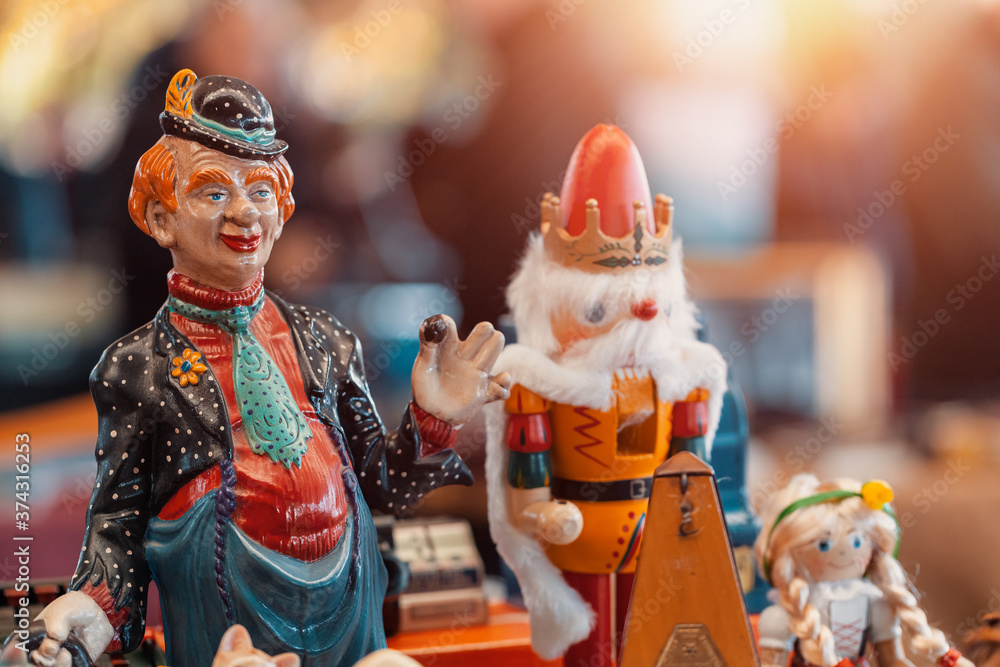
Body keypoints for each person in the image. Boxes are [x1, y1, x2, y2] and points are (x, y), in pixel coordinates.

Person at [26, 68, 510, 667]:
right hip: (227, 631)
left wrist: (434, 420)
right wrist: (86, 616)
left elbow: (383, 486)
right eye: (212, 191)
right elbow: (119, 532)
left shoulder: (326, 341)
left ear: (281, 212)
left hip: (348, 612)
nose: (242, 214)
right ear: (159, 217)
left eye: (260, 191)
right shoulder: (137, 369)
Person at [484, 124, 727, 666]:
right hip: (580, 531)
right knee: (590, 651)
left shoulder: (680, 378)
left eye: (651, 306)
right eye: (599, 311)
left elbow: (691, 464)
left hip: (656, 531)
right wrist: (539, 515)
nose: (636, 317)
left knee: (651, 641)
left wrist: (694, 518)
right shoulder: (535, 386)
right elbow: (527, 472)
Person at [755, 474, 971, 667]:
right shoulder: (784, 614)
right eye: (823, 544)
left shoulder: (875, 605)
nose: (843, 554)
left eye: (857, 541)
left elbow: (892, 659)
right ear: (791, 556)